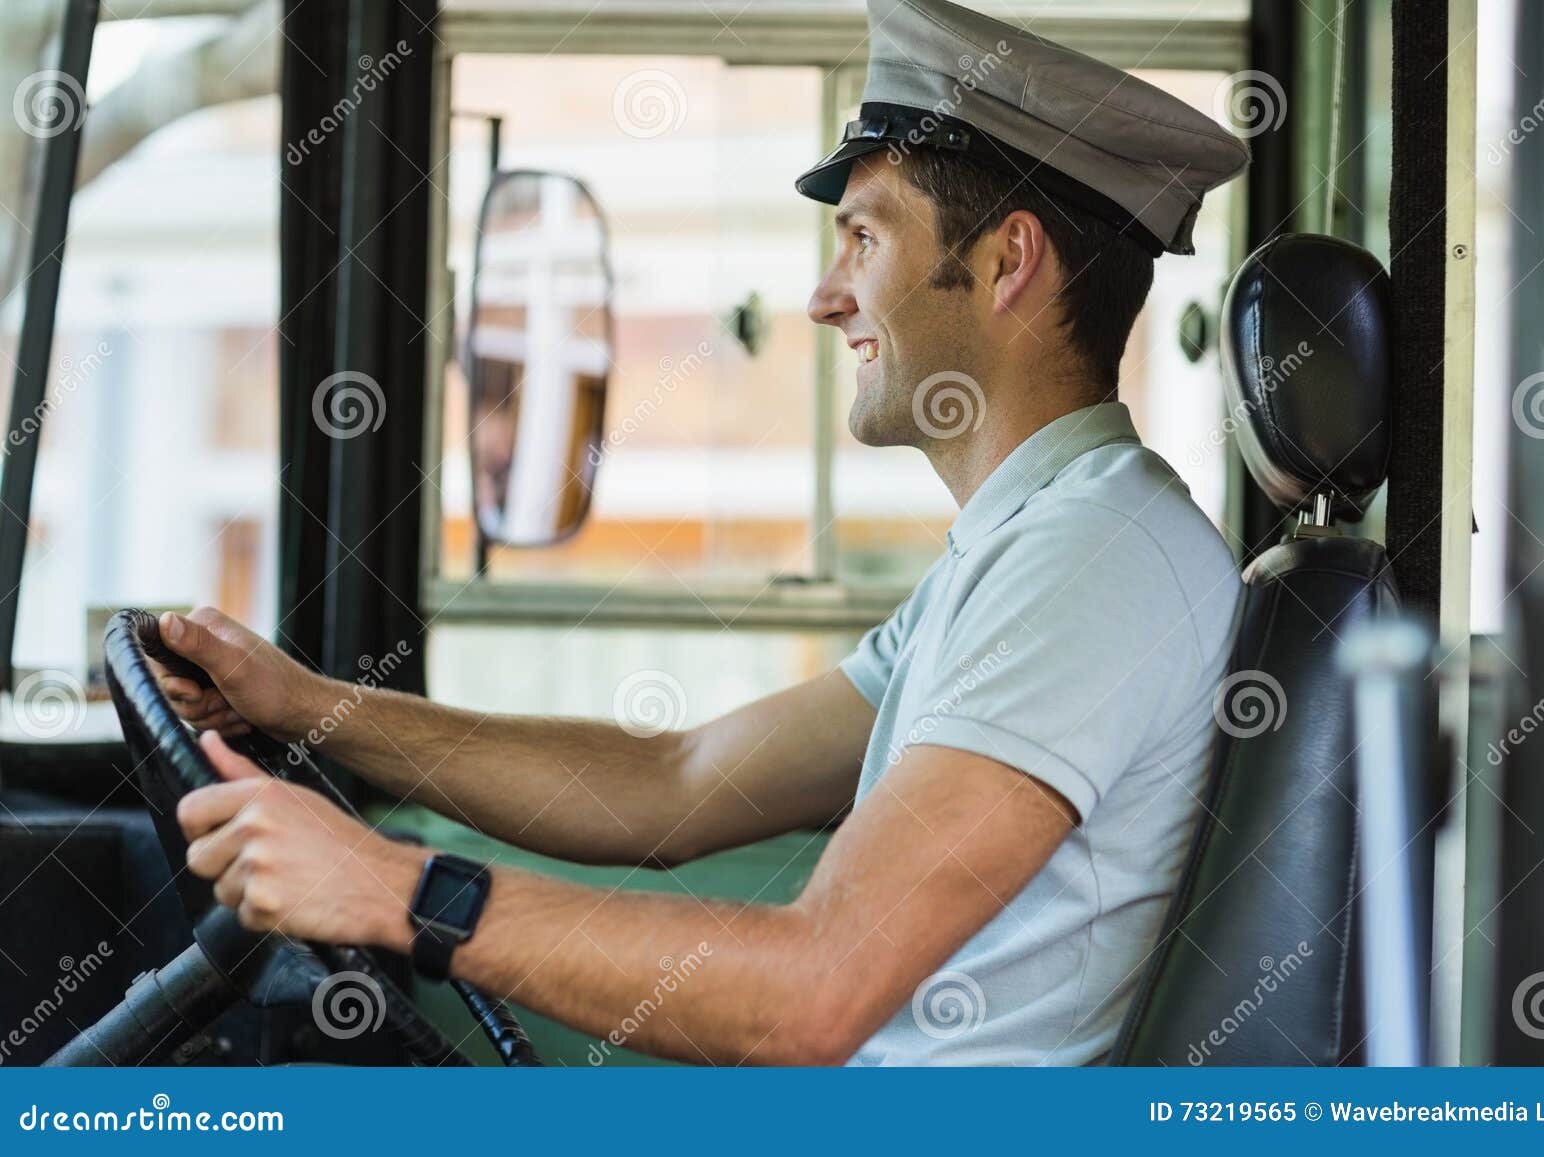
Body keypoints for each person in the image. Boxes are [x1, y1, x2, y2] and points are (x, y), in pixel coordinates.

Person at [159, 0, 1248, 1065]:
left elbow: (813, 990)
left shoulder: (1091, 564)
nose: (825, 298)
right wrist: (306, 705)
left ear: (1008, 262)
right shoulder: (1033, 544)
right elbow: (677, 780)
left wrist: (397, 888)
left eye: (863, 236)